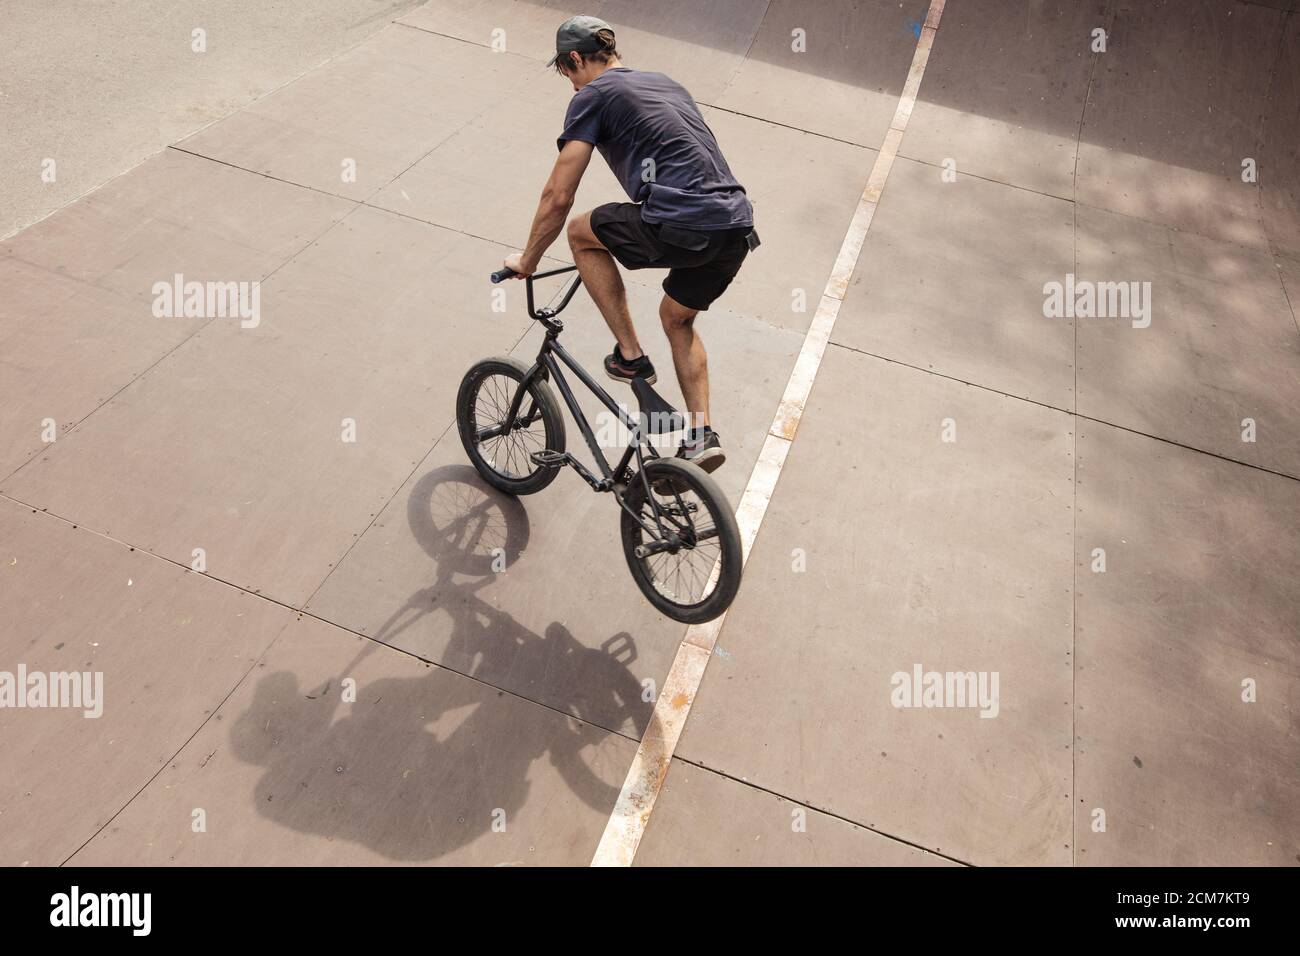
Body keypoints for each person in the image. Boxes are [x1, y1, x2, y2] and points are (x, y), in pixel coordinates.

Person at [502, 15, 758, 474]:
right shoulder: (664, 83)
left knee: (582, 231)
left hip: (683, 220)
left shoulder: (593, 96)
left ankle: (631, 358)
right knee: (677, 318)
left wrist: (528, 259)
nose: (570, 84)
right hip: (735, 225)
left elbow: (558, 194)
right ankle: (701, 435)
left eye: (566, 72)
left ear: (575, 59)